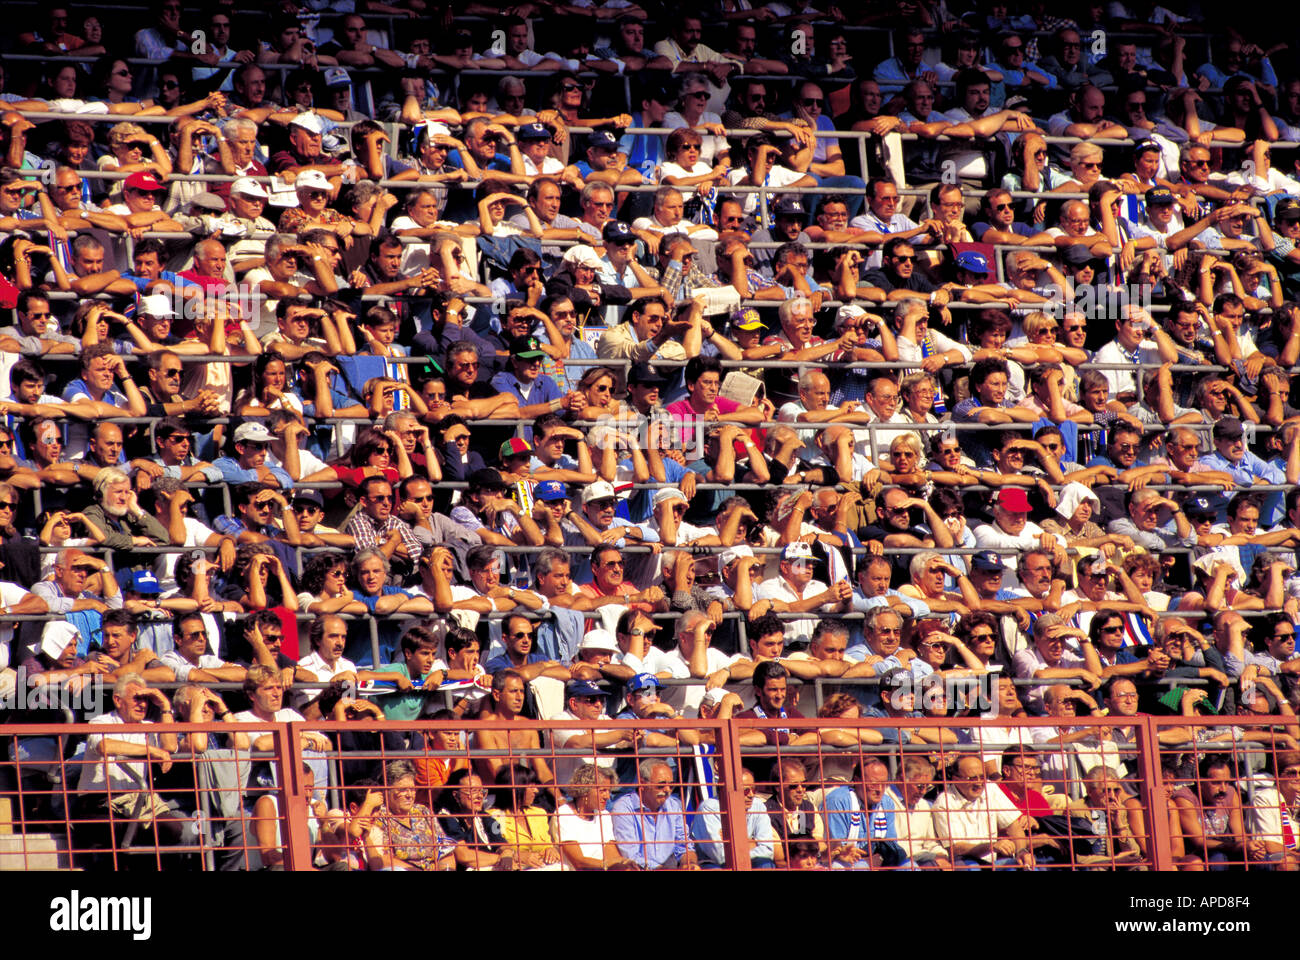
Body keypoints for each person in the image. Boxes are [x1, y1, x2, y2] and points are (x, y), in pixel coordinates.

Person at [610, 759, 699, 870]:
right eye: (660, 786)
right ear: (642, 784)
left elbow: (684, 845)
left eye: (671, 786)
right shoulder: (623, 808)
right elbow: (631, 856)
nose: (667, 790)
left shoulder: (673, 805)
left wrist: (689, 864)